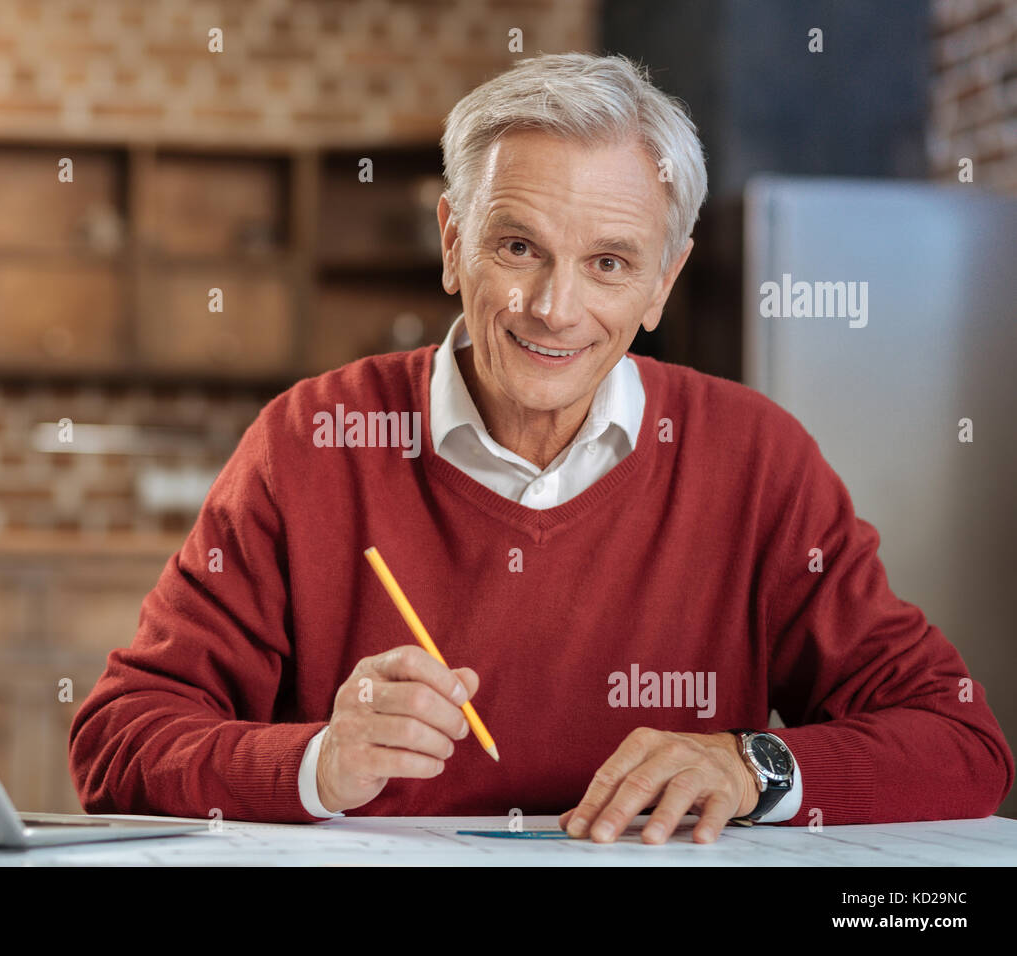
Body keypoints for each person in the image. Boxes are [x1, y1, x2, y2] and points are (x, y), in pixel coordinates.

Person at [69, 52, 1012, 843]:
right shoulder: (312, 440)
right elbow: (115, 742)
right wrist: (314, 761)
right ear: (452, 243)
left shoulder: (755, 460)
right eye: (517, 247)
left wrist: (750, 763)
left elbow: (962, 742)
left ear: (662, 286)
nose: (555, 308)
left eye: (609, 263)